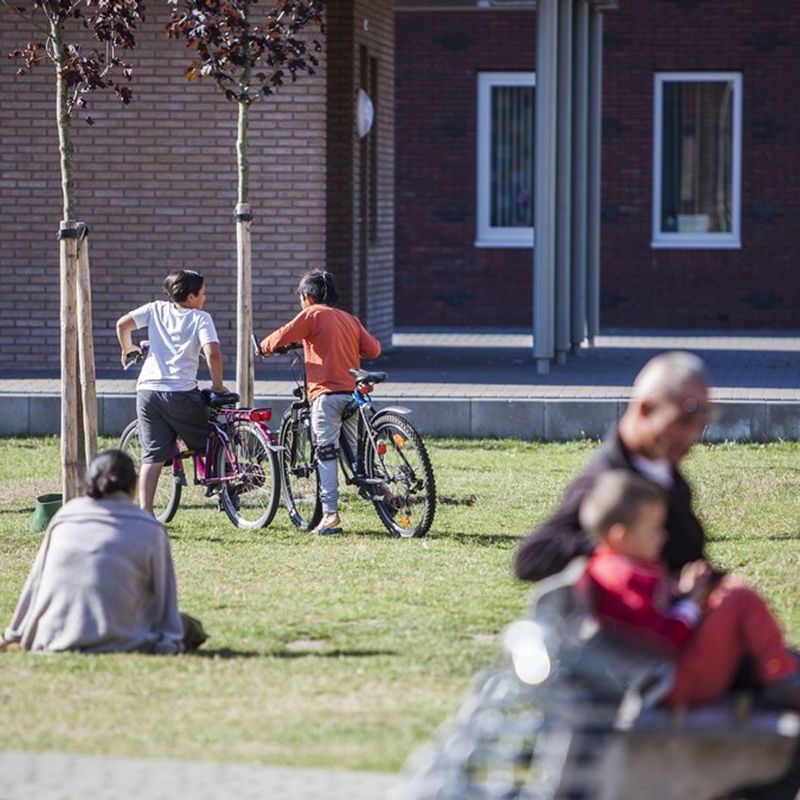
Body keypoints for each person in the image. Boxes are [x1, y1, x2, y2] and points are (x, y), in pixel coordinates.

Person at [578, 470, 800, 711]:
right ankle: (781, 676)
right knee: (739, 598)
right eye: (654, 529)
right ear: (619, 536)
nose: (662, 537)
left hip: (660, 676)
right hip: (669, 682)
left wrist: (681, 591)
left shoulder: (610, 567)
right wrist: (691, 604)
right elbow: (659, 640)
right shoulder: (623, 578)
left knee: (726, 596)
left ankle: (781, 671)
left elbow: (650, 611)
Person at [514, 351, 712, 583]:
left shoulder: (665, 471)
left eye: (703, 421)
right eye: (684, 420)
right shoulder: (606, 478)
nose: (692, 435)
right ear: (646, 409)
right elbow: (531, 558)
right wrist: (613, 539)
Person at [1, 450, 199, 654]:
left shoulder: (63, 518)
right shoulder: (151, 528)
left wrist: (14, 634)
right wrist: (169, 642)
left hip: (54, 637)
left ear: (88, 483)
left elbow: (35, 584)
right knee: (190, 625)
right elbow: (165, 599)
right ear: (133, 485)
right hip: (126, 640)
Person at [259, 269, 381, 535]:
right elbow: (373, 349)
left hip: (325, 397)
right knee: (358, 453)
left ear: (307, 297)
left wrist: (263, 347)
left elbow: (282, 335)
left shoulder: (312, 314)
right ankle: (383, 489)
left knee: (325, 453)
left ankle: (329, 515)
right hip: (353, 395)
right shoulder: (350, 319)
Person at [116, 269, 228, 514]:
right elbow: (213, 353)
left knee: (152, 456)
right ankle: (221, 483)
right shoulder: (201, 318)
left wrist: (128, 347)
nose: (204, 298)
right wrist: (218, 386)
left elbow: (122, 324)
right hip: (180, 392)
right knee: (211, 437)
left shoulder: (155, 309)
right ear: (190, 297)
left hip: (147, 392)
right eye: (203, 294)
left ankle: (145, 513)